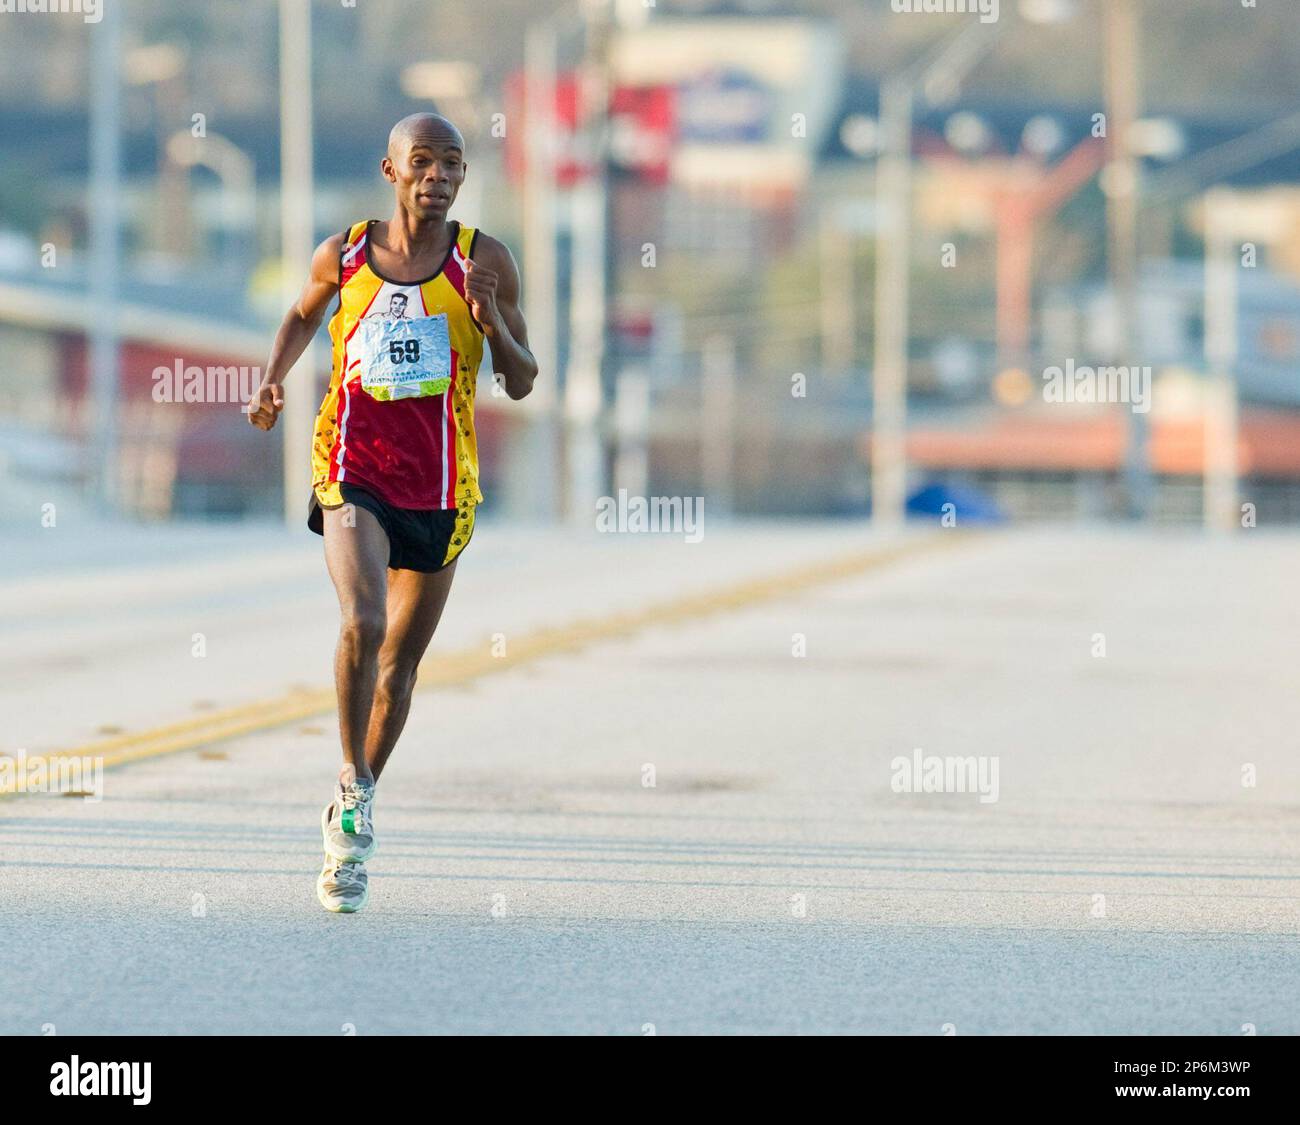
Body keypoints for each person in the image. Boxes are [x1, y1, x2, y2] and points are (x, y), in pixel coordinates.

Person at [247, 112, 537, 912]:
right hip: (354, 468)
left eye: (452, 164)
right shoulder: (343, 253)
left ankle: (362, 790)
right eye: (423, 161)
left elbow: (523, 377)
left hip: (443, 485)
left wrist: (488, 324)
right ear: (391, 171)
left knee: (399, 670)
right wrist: (272, 377)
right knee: (361, 622)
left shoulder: (486, 262)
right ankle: (349, 779)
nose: (438, 176)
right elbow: (305, 312)